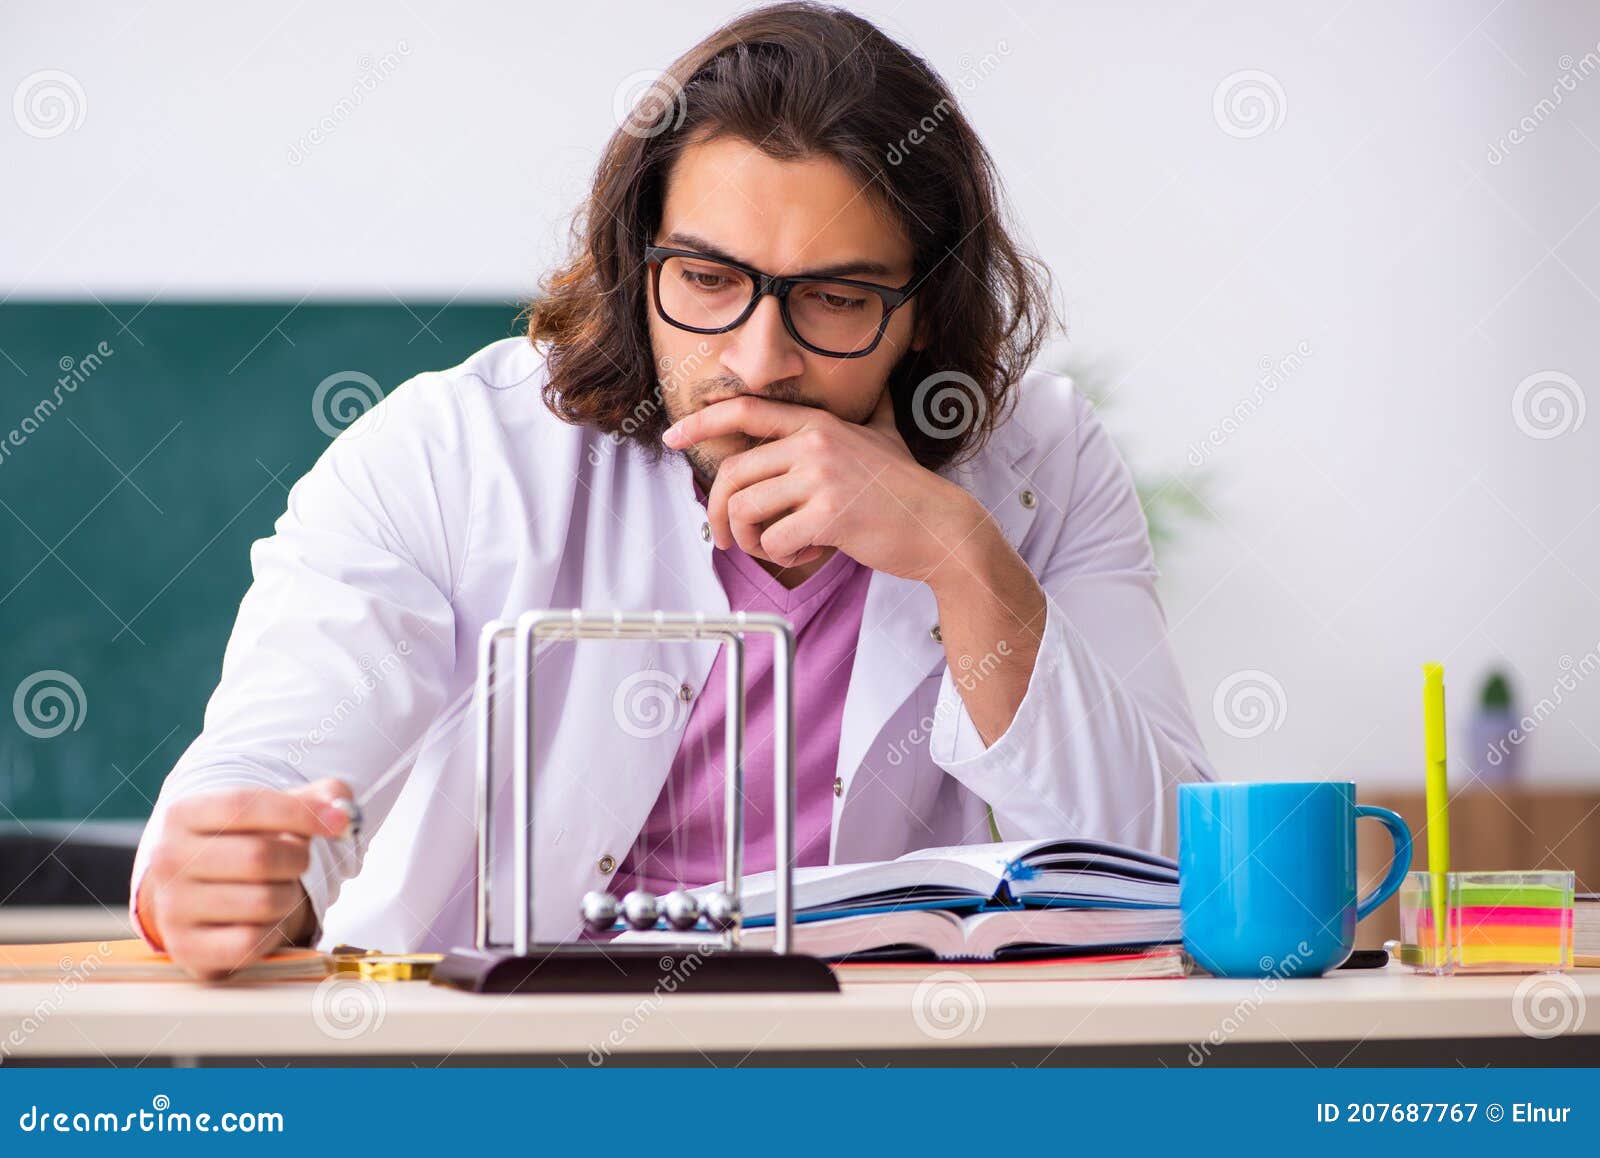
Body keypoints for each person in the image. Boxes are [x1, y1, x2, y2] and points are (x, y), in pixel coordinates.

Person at [130, 2, 1213, 979]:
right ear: (633, 263)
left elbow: (1157, 873)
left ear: (925, 305)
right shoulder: (456, 451)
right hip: (506, 1074)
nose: (759, 359)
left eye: (834, 297)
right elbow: (269, 771)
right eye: (706, 280)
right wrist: (222, 877)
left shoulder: (1047, 463)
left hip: (865, 1077)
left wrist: (965, 560)